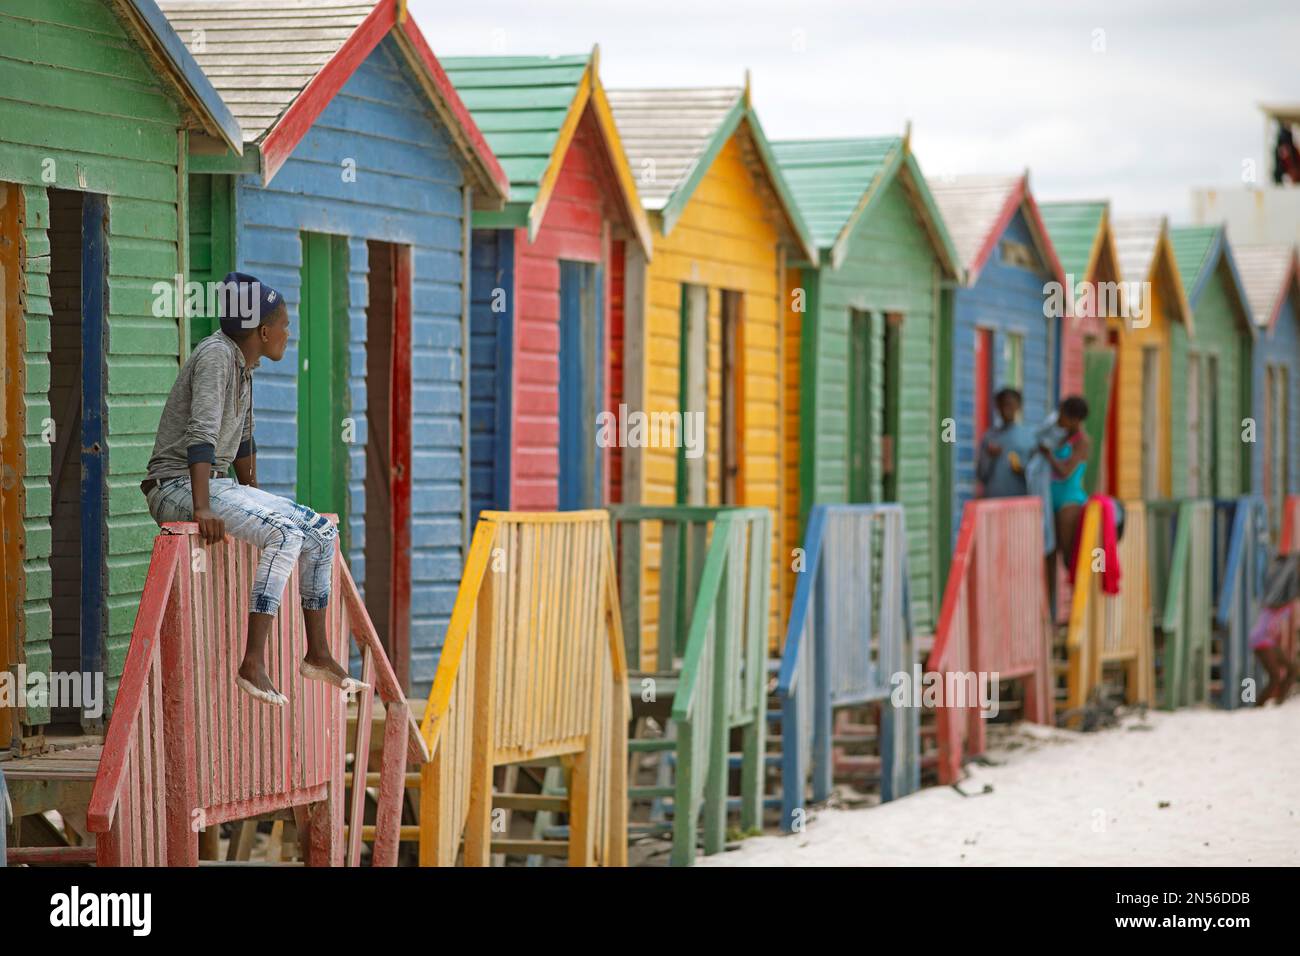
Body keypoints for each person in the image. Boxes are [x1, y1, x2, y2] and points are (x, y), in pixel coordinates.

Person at [141, 272, 363, 706]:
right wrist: (203, 507)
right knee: (285, 534)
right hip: (176, 486)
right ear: (263, 331)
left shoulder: (244, 365)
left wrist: (257, 501)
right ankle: (252, 662)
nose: (287, 333)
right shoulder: (216, 358)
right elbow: (201, 434)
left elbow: (243, 443)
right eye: (284, 325)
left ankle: (317, 654)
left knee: (320, 531)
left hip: (211, 483)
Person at [1040, 395, 1092, 566]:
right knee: (1049, 554)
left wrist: (1048, 455)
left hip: (1069, 502)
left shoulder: (1082, 442)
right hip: (1051, 499)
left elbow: (1065, 471)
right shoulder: (1061, 438)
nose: (1059, 419)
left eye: (1062, 415)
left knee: (1069, 557)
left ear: (1074, 419)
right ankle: (1050, 594)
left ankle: (1075, 592)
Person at [1249, 554, 1299, 705]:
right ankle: (1257, 707)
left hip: (1268, 641)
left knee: (1292, 670)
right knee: (1275, 677)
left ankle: (1279, 704)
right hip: (1260, 640)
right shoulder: (1275, 598)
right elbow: (1279, 593)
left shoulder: (1286, 595)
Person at [975, 387, 1036, 498]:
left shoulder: (1030, 436)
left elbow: (1037, 474)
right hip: (993, 501)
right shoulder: (990, 437)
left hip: (1018, 502)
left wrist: (1022, 470)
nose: (1006, 409)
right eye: (1002, 405)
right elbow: (981, 475)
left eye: (1010, 405)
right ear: (997, 407)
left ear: (1019, 406)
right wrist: (990, 457)